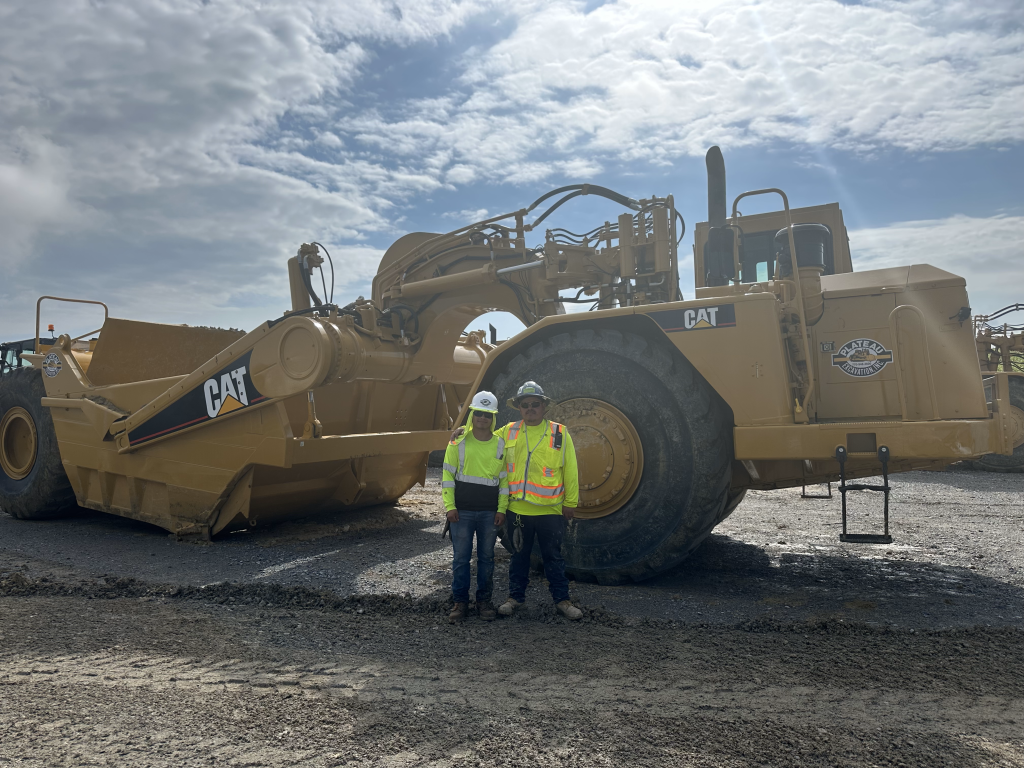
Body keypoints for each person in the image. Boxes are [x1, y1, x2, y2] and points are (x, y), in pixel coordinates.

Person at [496, 381, 582, 621]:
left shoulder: (559, 433)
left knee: (553, 557)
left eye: (535, 404)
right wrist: (463, 433)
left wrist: (570, 503)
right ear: (519, 408)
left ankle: (562, 601)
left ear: (544, 406)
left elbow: (571, 470)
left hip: (551, 511)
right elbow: (483, 440)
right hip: (518, 511)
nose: (530, 408)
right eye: (525, 405)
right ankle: (515, 598)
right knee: (519, 556)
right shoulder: (508, 431)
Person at [441, 390, 508, 623]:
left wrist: (501, 509)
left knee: (487, 559)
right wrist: (450, 507)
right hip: (462, 513)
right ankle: (460, 602)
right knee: (461, 559)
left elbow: (504, 482)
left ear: (493, 418)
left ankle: (484, 602)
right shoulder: (457, 441)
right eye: (479, 413)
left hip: (490, 514)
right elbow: (447, 476)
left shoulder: (500, 445)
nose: (483, 418)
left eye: (488, 414)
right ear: (472, 414)